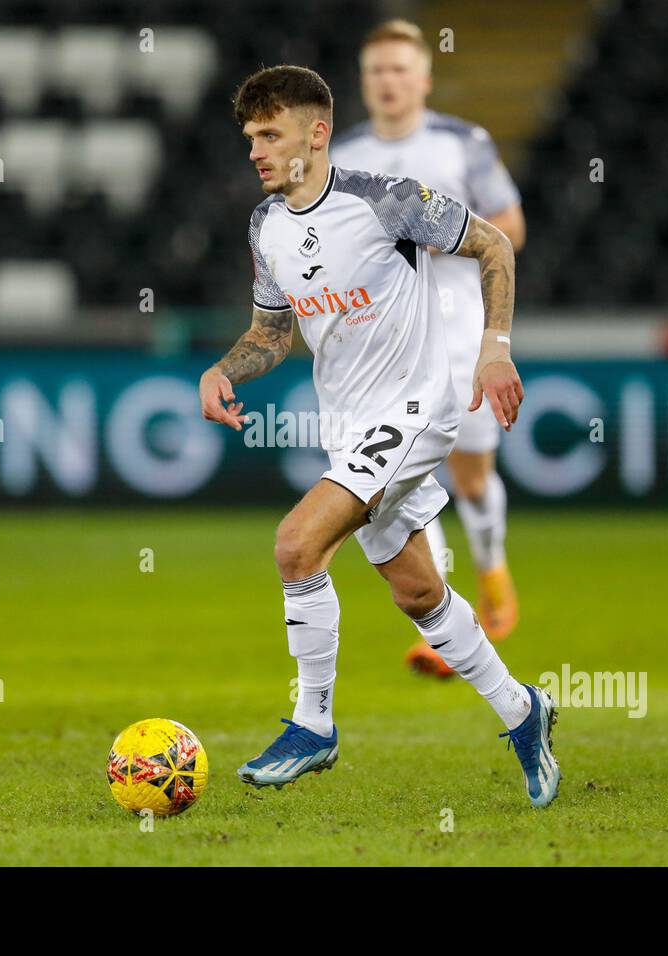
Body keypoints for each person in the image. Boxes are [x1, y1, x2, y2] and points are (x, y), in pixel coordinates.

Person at [196, 64, 559, 808]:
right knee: (420, 592)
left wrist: (495, 347)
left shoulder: (383, 202)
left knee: (297, 545)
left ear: (316, 133)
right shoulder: (267, 226)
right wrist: (225, 369)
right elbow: (272, 331)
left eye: (270, 134)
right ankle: (525, 713)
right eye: (249, 138)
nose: (256, 152)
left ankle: (313, 724)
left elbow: (494, 245)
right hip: (352, 429)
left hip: (421, 410)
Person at [332, 21, 527, 677]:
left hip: (461, 336)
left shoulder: (460, 143)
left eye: (398, 70)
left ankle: (492, 563)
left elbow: (511, 228)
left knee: (471, 478)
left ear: (423, 78)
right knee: (401, 482)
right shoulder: (344, 154)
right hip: (383, 349)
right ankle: (449, 625)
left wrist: (445, 232)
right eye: (376, 72)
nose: (387, 82)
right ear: (366, 82)